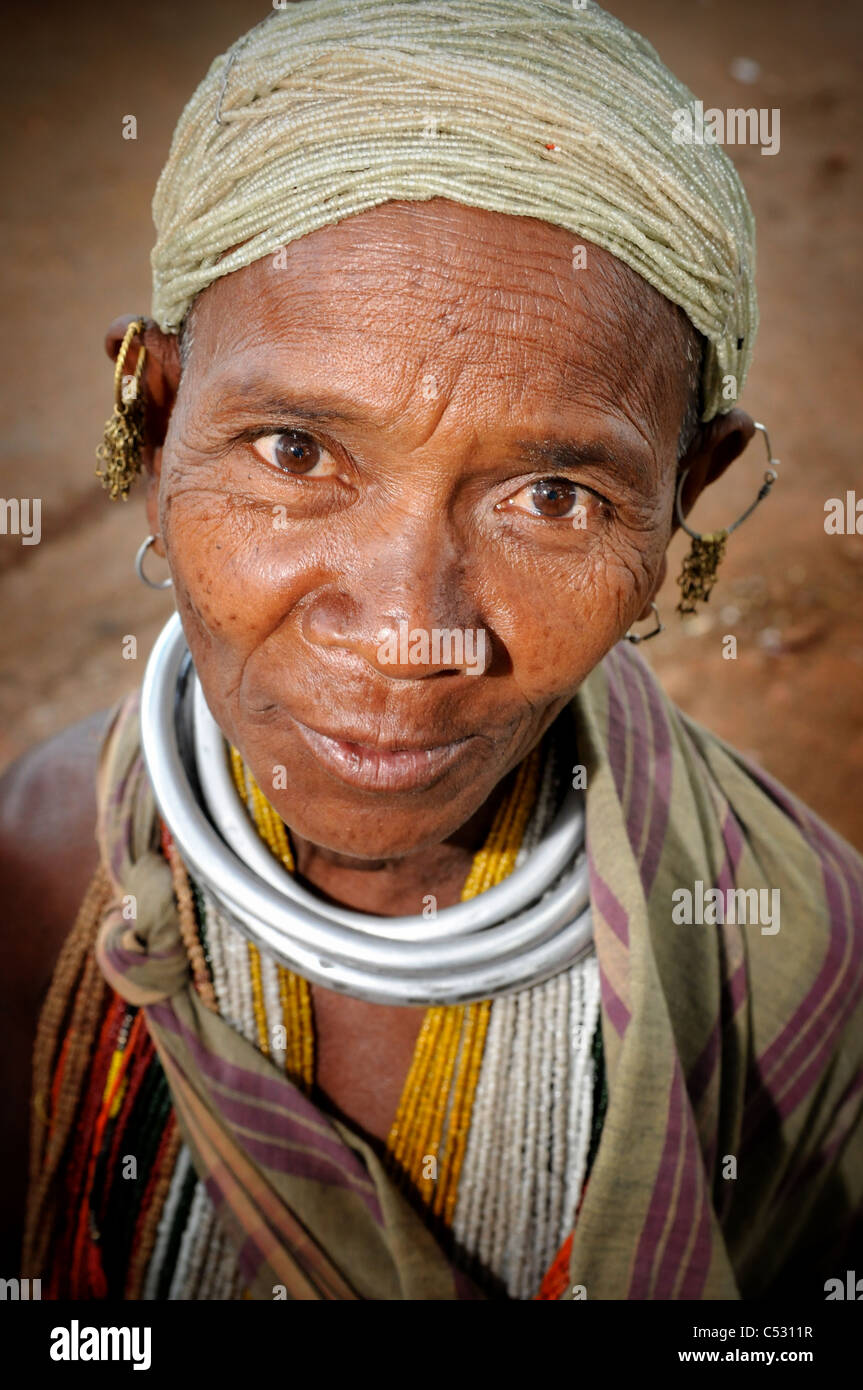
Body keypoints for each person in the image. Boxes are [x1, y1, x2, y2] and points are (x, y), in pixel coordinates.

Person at [2, 0, 861, 1301]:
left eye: (556, 497)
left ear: (686, 500)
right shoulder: (29, 890)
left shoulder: (803, 966)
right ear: (156, 419)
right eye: (296, 452)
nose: (411, 631)